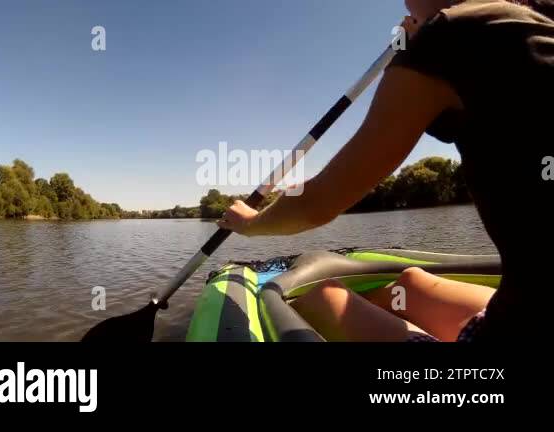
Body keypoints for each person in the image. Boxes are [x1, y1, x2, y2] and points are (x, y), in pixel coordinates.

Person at [217, 0, 554, 342]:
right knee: (411, 283)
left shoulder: (450, 34)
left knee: (321, 299)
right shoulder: (535, 18)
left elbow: (316, 204)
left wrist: (250, 223)